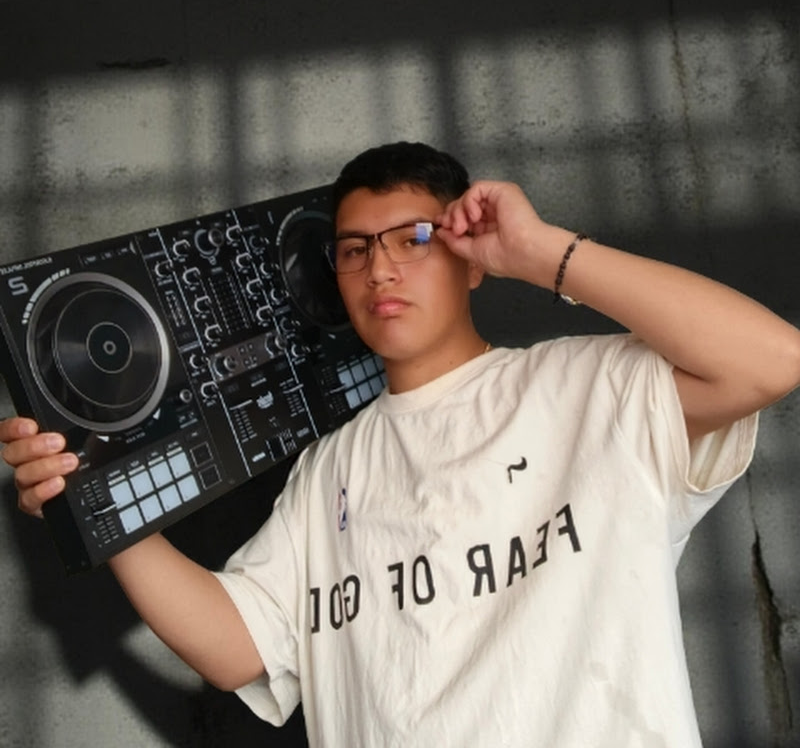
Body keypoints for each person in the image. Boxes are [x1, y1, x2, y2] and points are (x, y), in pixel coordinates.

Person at [2, 141, 800, 747]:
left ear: (471, 257)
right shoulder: (325, 472)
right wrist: (96, 503)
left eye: (413, 237)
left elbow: (771, 360)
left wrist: (540, 253)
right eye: (355, 249)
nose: (380, 269)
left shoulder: (586, 389)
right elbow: (237, 647)